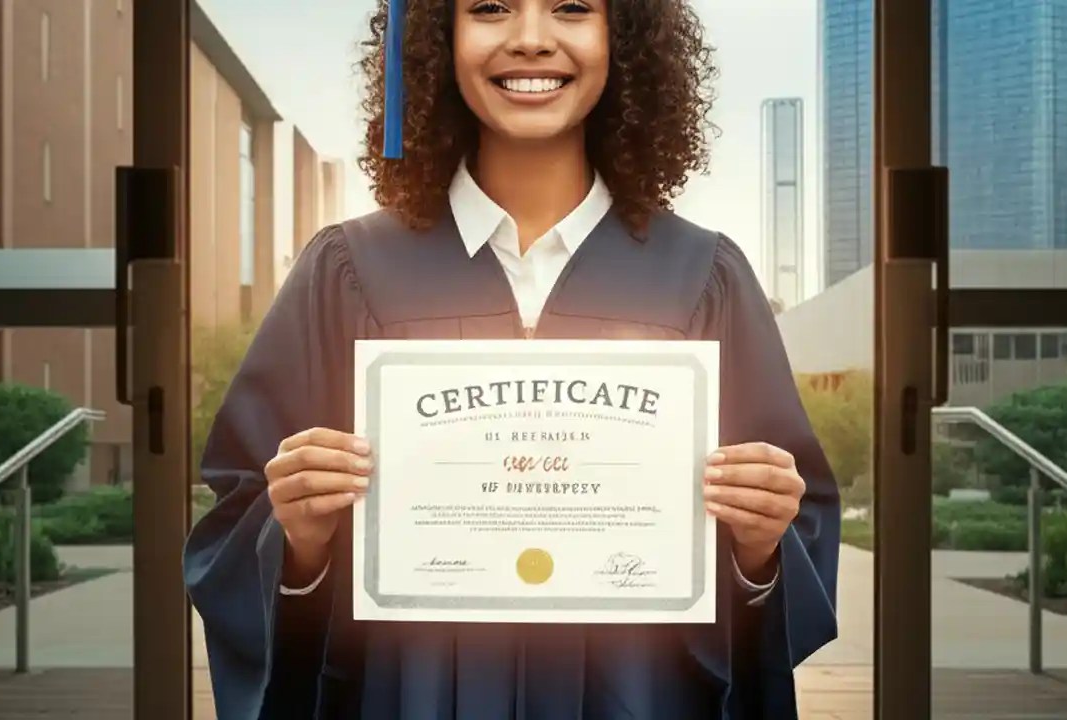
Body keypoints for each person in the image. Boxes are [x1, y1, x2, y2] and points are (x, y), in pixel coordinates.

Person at [183, 0, 840, 718]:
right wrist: (299, 544)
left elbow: (798, 530)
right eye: (490, 8)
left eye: (571, 8)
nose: (531, 40)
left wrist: (758, 548)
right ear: (440, 40)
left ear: (621, 38)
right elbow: (238, 516)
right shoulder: (348, 272)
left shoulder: (704, 277)